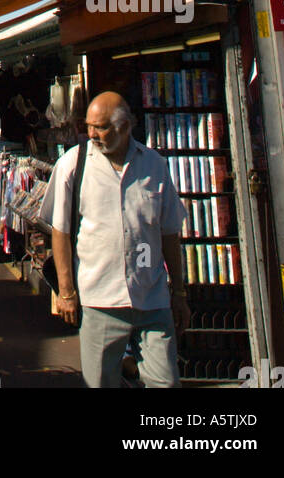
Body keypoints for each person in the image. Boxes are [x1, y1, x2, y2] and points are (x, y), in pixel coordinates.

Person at [42, 90, 189, 389]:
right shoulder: (73, 164)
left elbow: (169, 233)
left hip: (151, 298)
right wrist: (66, 292)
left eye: (101, 127)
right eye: (89, 126)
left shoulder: (154, 165)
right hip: (99, 299)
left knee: (166, 383)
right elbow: (61, 231)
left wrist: (180, 293)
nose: (91, 134)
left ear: (125, 126)